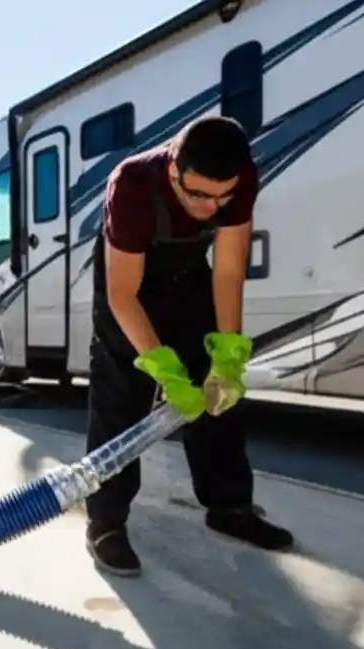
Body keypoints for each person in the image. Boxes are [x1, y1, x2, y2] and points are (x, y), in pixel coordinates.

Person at [84, 115, 294, 577]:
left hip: (188, 275)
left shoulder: (240, 179)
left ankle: (230, 506)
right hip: (129, 281)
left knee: (217, 394)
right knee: (122, 394)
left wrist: (228, 355)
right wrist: (164, 370)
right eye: (197, 194)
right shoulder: (134, 185)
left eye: (221, 197)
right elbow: (123, 294)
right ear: (173, 168)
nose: (209, 207)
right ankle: (106, 522)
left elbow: (228, 270)